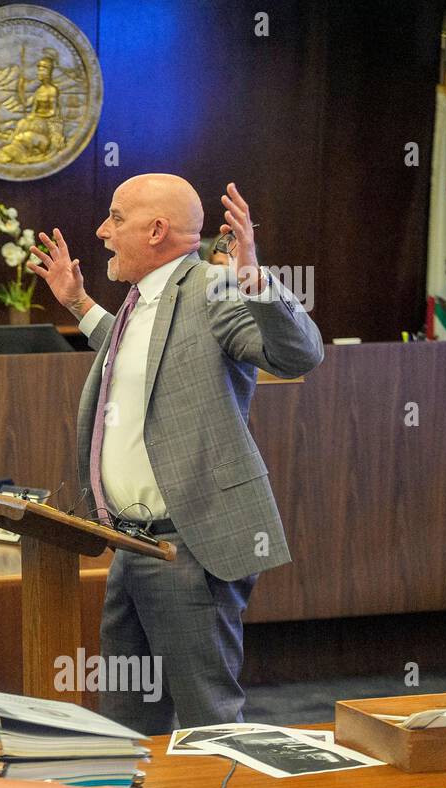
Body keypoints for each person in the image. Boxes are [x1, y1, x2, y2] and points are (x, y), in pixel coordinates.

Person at [27, 174, 323, 735]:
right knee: (128, 722)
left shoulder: (214, 287)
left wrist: (254, 281)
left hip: (191, 543)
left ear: (156, 229)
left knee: (208, 722)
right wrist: (77, 303)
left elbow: (299, 355)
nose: (102, 231)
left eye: (115, 218)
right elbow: (140, 360)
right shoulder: (144, 301)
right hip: (131, 544)